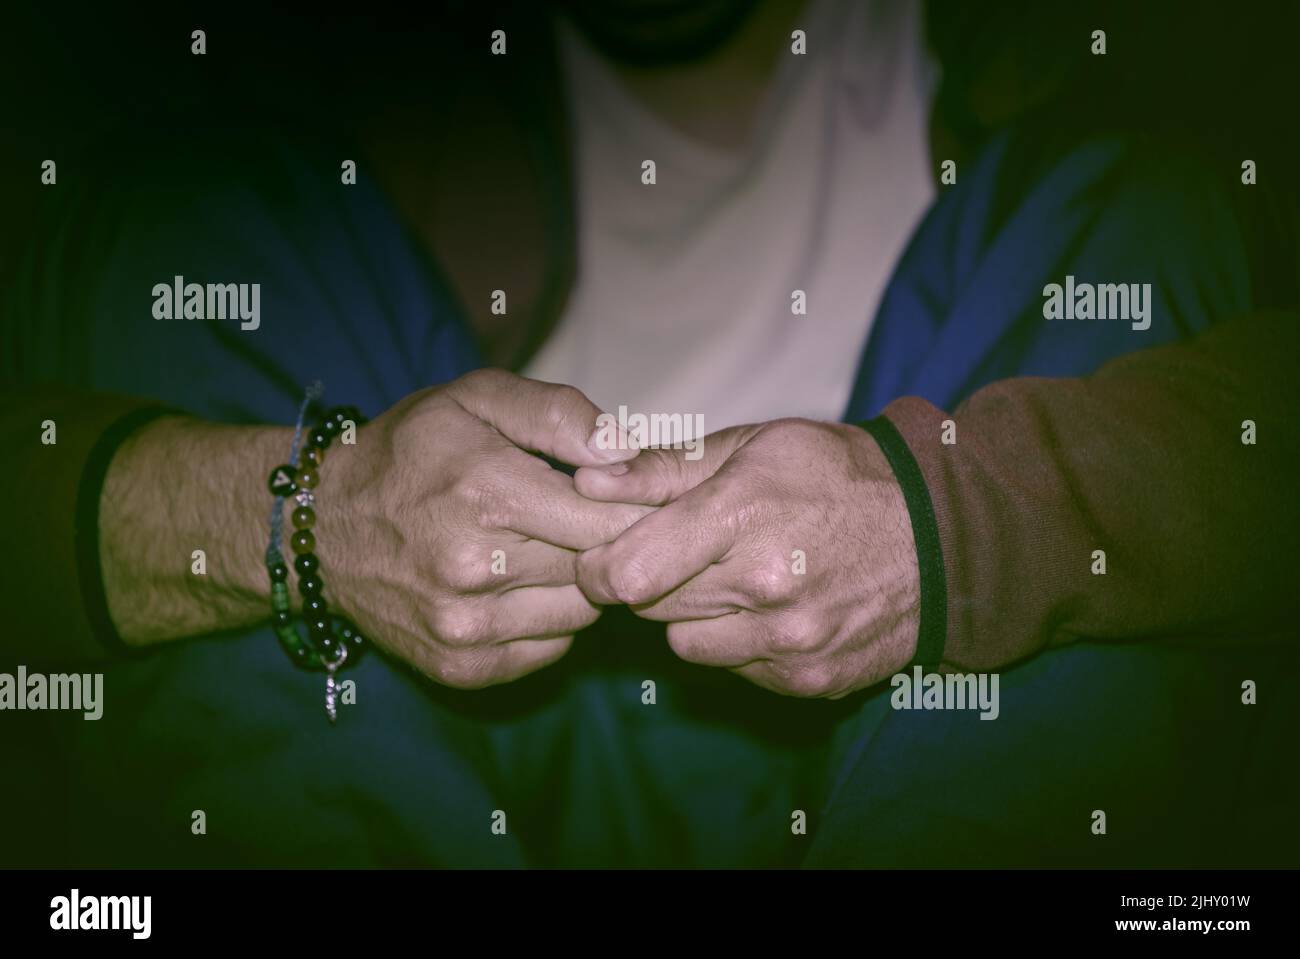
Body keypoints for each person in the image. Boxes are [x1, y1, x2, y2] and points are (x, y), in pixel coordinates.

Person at [1, 0, 1295, 865]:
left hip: (936, 737)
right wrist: (306, 522)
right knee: (177, 226)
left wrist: (948, 525)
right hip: (447, 743)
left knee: (1135, 209)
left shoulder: (1125, 65)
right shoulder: (320, 86)